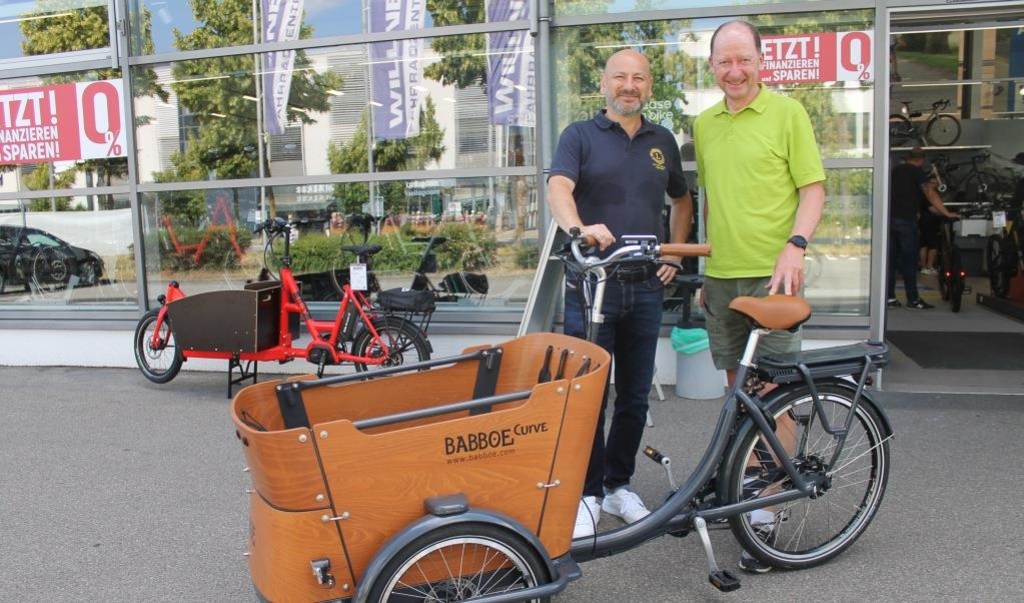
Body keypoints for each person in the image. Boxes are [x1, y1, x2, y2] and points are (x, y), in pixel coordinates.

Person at [692, 19, 826, 573]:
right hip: (722, 277)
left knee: (770, 393)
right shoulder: (703, 124)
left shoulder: (788, 113)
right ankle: (748, 481)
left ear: (760, 62)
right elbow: (714, 200)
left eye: (743, 59)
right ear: (712, 67)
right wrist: (704, 270)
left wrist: (795, 246)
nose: (734, 70)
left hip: (774, 278)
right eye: (724, 61)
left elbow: (812, 188)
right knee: (738, 390)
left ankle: (769, 508)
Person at [547, 48, 693, 540]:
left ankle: (618, 485)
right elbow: (558, 188)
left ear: (649, 86)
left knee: (634, 395)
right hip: (592, 288)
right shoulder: (580, 136)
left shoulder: (662, 141)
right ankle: (585, 494)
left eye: (639, 78)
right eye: (620, 77)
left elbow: (682, 197)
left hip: (645, 288)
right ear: (604, 84)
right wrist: (579, 229)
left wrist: (674, 255)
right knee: (588, 395)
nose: (629, 85)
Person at [888, 147, 958, 309]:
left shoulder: (895, 171)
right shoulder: (916, 172)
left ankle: (889, 298)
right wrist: (946, 213)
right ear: (921, 160)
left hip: (889, 220)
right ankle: (913, 299)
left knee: (890, 261)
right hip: (906, 221)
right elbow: (930, 195)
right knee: (910, 261)